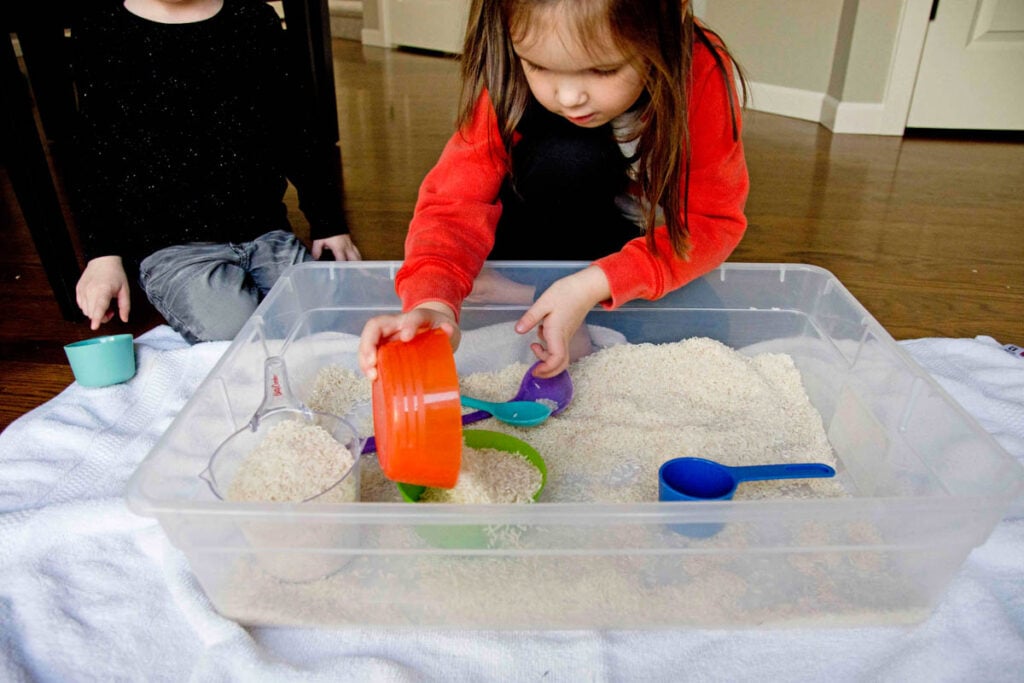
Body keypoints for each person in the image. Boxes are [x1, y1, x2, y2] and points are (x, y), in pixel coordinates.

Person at [358, 0, 748, 380]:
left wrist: (591, 286)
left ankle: (519, 294)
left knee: (707, 325)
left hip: (617, 238)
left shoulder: (702, 70)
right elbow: (455, 202)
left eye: (602, 69)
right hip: (534, 221)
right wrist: (434, 302)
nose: (568, 97)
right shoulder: (506, 72)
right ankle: (539, 294)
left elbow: (710, 221)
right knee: (569, 155)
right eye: (539, 66)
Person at [70, 0, 360, 343]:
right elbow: (93, 153)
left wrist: (327, 221)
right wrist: (103, 255)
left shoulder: (253, 19)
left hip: (266, 233)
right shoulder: (100, 27)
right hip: (172, 248)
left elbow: (296, 129)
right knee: (236, 335)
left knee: (328, 323)